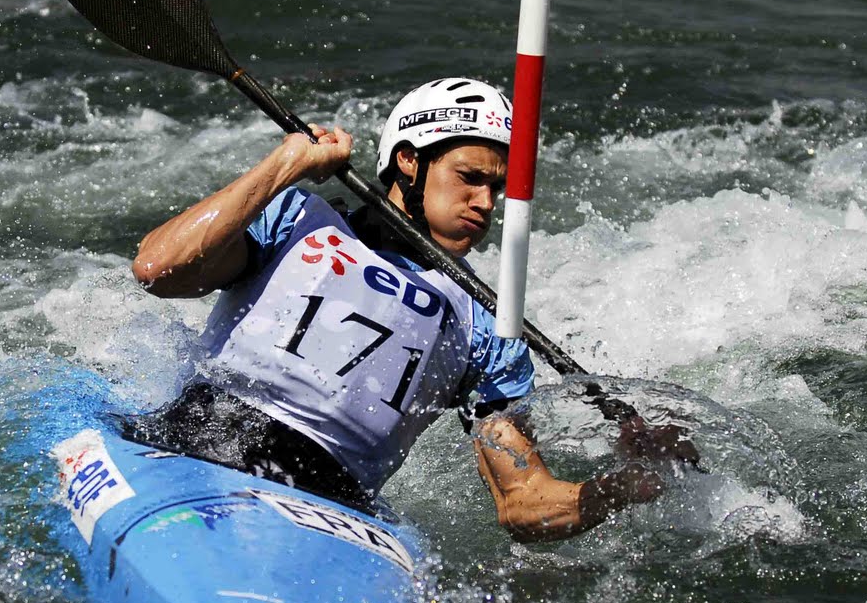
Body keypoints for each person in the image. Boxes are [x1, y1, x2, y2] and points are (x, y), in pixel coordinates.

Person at [128, 77, 691, 542]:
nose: (484, 203)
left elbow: (524, 502)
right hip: (195, 437)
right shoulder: (298, 218)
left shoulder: (489, 325)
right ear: (408, 163)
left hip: (329, 504)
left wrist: (630, 484)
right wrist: (286, 165)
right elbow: (157, 268)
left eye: (497, 189)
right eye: (469, 177)